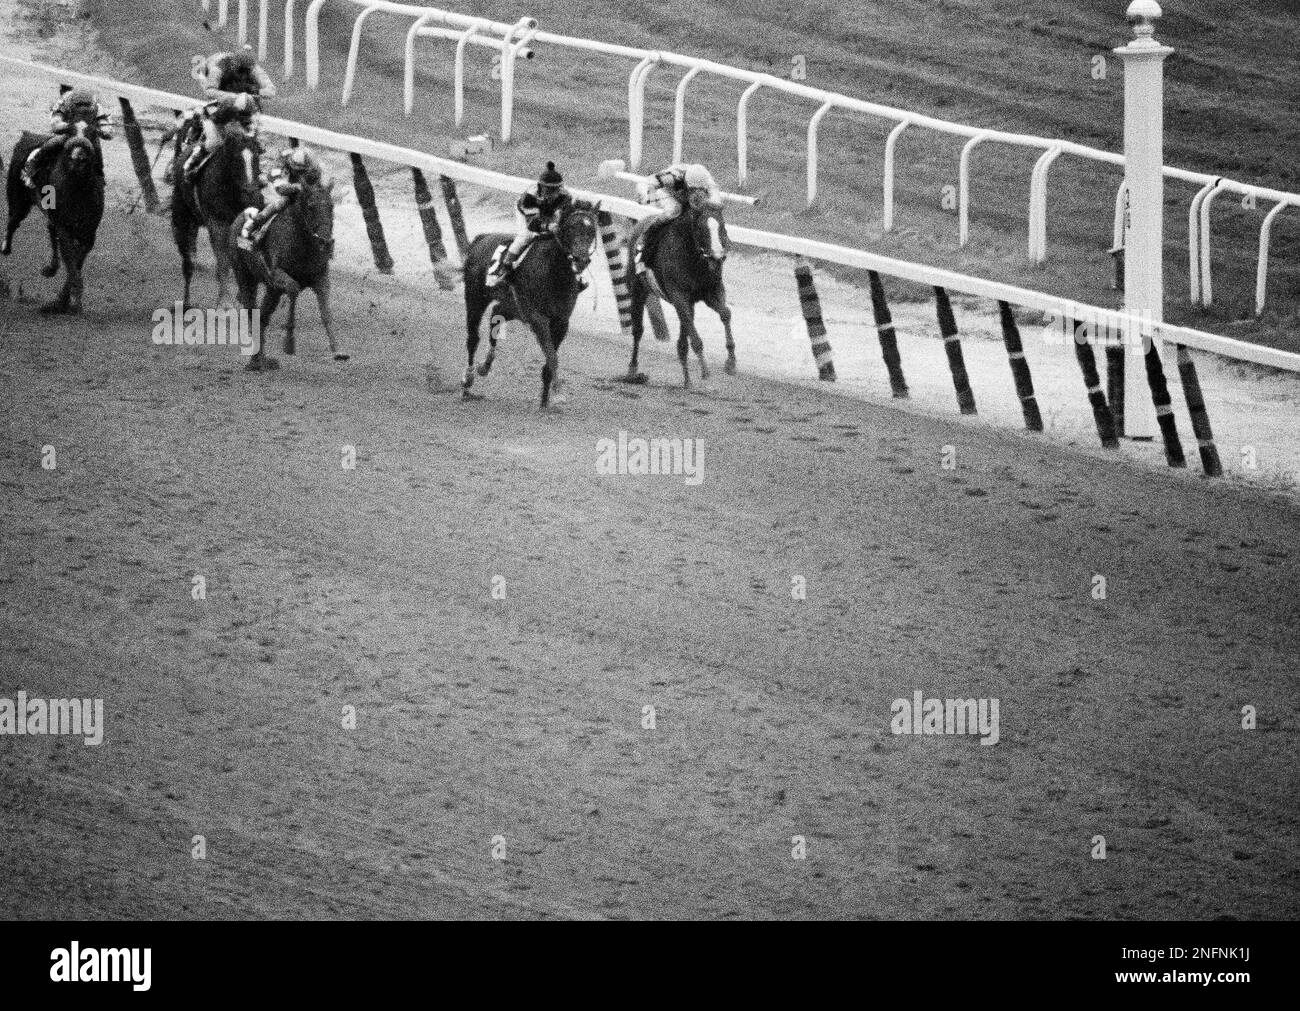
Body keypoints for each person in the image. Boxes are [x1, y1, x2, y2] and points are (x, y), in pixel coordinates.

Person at [180, 46, 276, 182]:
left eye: (246, 70)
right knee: (214, 142)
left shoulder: (252, 68)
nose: (243, 73)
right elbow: (210, 90)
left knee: (256, 145)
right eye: (240, 69)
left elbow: (271, 89)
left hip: (245, 111)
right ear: (234, 62)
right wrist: (232, 97)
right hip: (221, 105)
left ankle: (257, 173)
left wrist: (259, 92)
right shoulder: (220, 66)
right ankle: (191, 164)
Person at [235, 147, 323, 290]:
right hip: (276, 186)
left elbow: (317, 184)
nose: (300, 174)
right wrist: (297, 186)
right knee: (279, 204)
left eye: (303, 171)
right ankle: (254, 231)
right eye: (297, 171)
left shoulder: (313, 165)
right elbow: (280, 189)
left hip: (302, 189)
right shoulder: (280, 165)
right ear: (290, 165)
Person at [488, 161, 583, 289]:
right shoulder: (530, 196)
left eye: (556, 189)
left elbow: (567, 217)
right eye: (548, 189)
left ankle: (575, 274)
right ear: (540, 186)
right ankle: (506, 267)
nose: (553, 194)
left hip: (549, 212)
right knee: (526, 236)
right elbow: (532, 224)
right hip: (526, 214)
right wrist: (548, 227)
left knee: (563, 237)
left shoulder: (566, 196)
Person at [22, 88, 113, 190]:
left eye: (86, 110)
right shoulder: (64, 102)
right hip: (68, 134)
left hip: (89, 137)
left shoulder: (97, 107)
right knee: (51, 145)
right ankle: (31, 168)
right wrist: (69, 126)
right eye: (79, 107)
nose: (82, 112)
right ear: (73, 104)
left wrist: (101, 130)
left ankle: (99, 178)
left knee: (97, 154)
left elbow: (107, 130)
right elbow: (55, 124)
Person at [634, 162, 722, 267]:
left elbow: (716, 204)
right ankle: (645, 238)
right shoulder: (673, 177)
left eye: (699, 190)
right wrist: (647, 197)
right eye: (693, 190)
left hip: (683, 192)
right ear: (687, 183)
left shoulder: (708, 181)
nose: (696, 192)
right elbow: (651, 183)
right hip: (665, 191)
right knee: (674, 210)